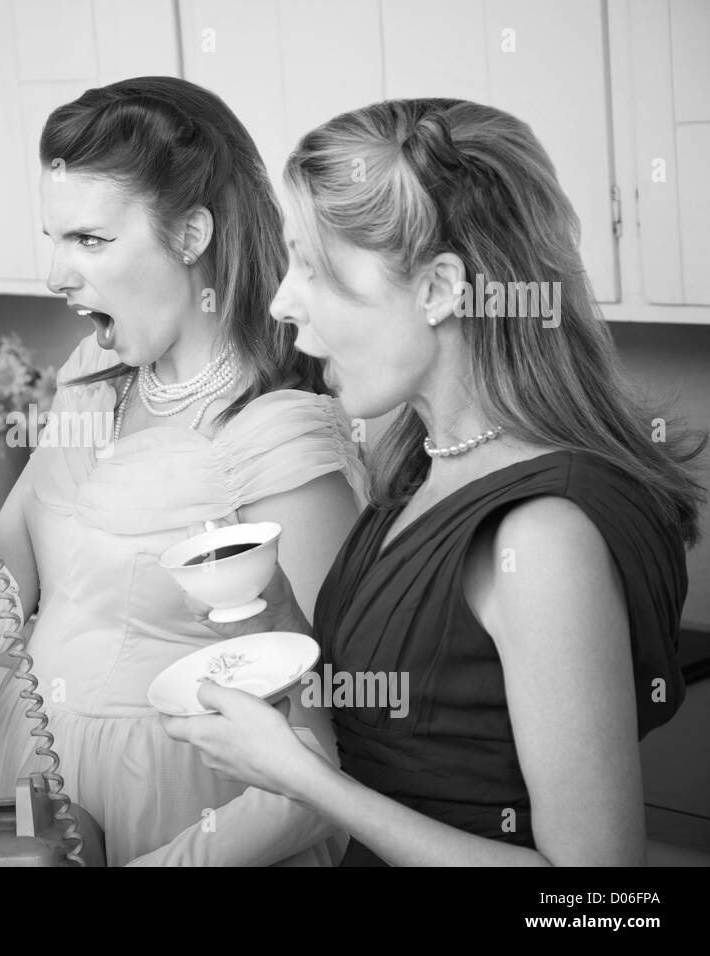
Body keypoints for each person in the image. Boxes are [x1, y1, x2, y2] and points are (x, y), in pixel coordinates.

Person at [166, 98, 704, 865]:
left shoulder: (540, 534)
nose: (283, 303)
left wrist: (303, 780)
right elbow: (408, 721)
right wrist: (274, 610)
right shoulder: (419, 465)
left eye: (315, 268)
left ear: (441, 289)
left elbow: (595, 899)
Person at [0, 77, 369, 866]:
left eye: (90, 241)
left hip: (186, 820)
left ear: (192, 233)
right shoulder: (90, 381)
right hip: (29, 790)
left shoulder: (283, 437)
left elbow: (320, 765)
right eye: (53, 238)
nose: (58, 275)